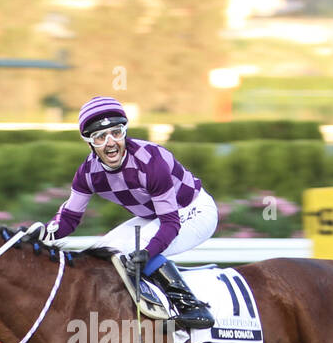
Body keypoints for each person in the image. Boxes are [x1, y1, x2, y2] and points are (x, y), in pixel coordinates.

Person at [44, 96, 215, 329]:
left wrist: (148, 252)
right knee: (100, 253)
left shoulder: (151, 161)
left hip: (193, 210)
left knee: (136, 252)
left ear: (125, 132)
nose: (110, 142)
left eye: (116, 132)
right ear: (90, 142)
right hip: (156, 217)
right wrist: (44, 234)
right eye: (100, 137)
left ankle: (192, 307)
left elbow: (170, 223)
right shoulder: (87, 173)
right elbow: (70, 218)